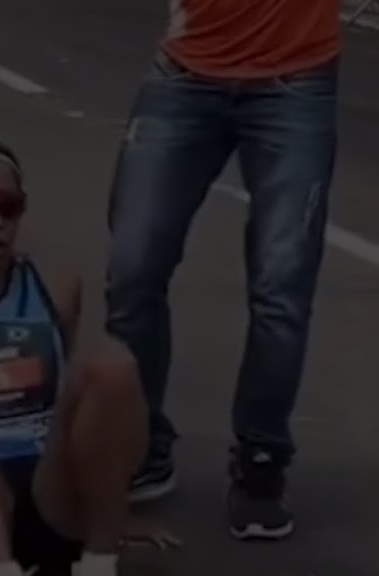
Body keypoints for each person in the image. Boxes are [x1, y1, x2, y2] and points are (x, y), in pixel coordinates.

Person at [103, 0, 338, 540]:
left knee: (282, 285)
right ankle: (143, 446)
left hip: (297, 80)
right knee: (133, 268)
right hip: (184, 76)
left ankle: (261, 462)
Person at [0, 141, 173, 576]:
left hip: (49, 496)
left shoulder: (55, 287)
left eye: (9, 207)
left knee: (111, 364)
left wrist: (112, 511)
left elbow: (75, 404)